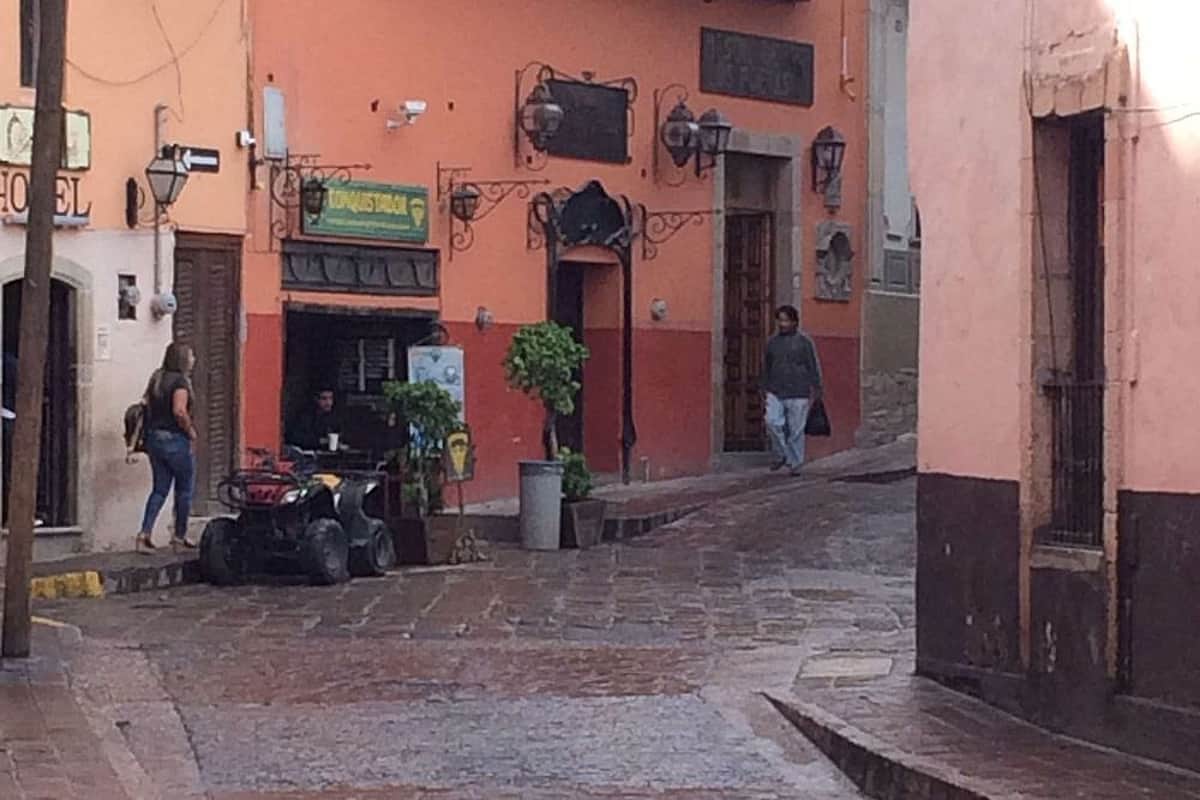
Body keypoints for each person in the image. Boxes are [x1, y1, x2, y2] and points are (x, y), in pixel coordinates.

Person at [137, 342, 198, 552]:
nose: (193, 360)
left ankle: (144, 534)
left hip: (155, 439)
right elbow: (179, 411)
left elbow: (145, 404)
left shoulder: (157, 378)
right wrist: (190, 431)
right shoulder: (180, 382)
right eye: (191, 356)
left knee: (159, 489)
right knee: (184, 489)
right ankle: (179, 537)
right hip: (175, 440)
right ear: (182, 359)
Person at [762, 305, 823, 476]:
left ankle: (795, 464)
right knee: (772, 422)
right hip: (775, 389)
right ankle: (782, 453)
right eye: (780, 320)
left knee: (796, 430)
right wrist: (764, 387)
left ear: (794, 322)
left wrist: (817, 386)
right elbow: (766, 366)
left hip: (799, 390)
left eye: (786, 320)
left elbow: (813, 365)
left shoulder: (805, 342)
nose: (783, 324)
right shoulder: (772, 343)